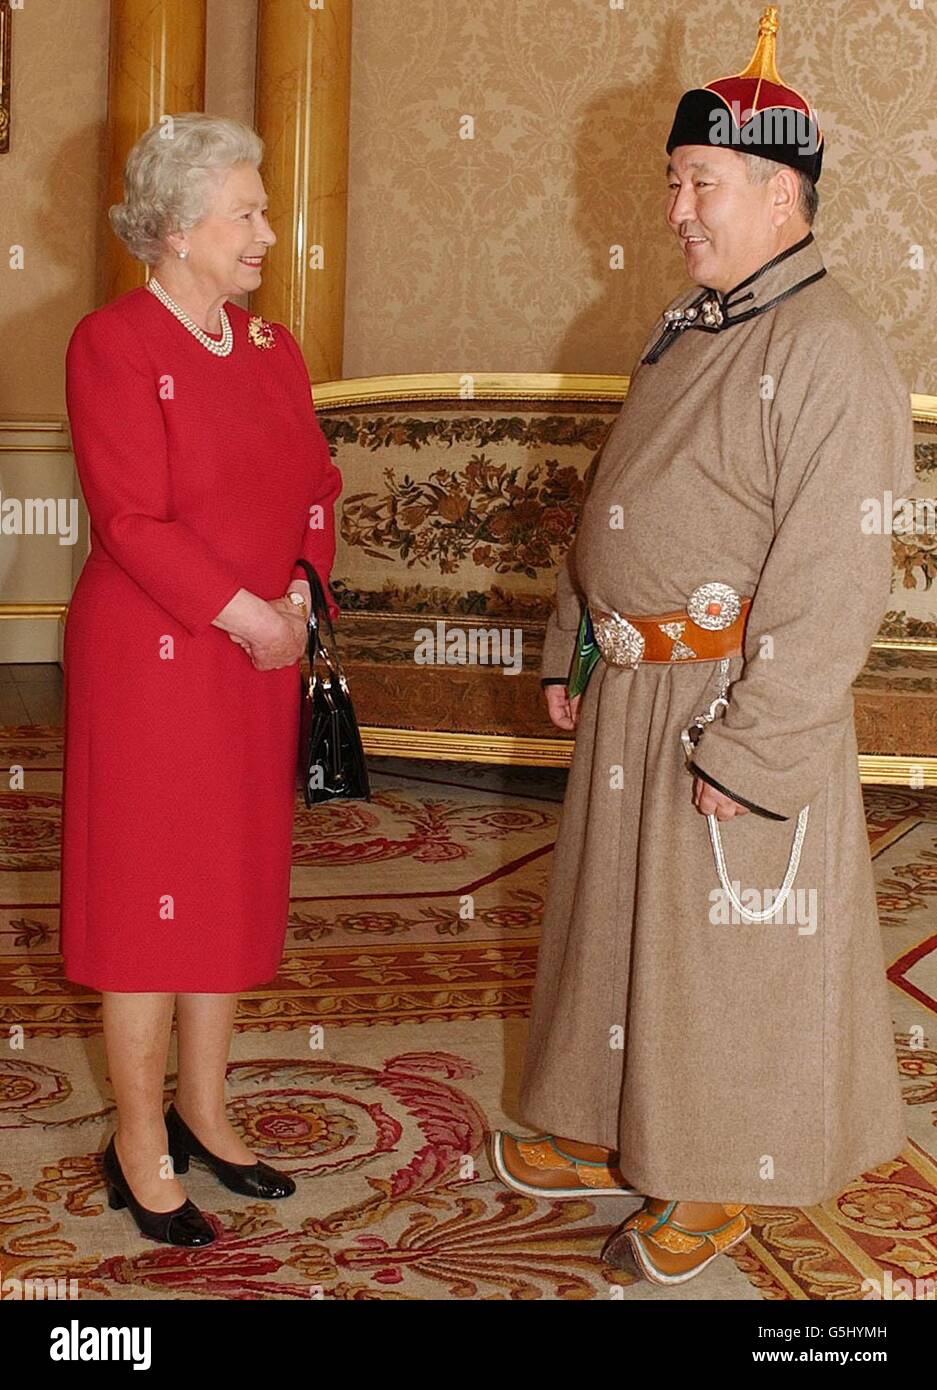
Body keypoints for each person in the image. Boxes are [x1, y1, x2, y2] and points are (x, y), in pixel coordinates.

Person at [490, 6, 917, 1285]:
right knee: (622, 926)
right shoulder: (695, 323)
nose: (676, 207)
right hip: (635, 682)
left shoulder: (830, 347)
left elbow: (836, 575)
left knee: (725, 956)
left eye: (701, 183)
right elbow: (618, 498)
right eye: (674, 181)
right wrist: (578, 639)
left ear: (782, 194)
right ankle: (619, 1120)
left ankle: (717, 1170)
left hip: (730, 698)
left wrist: (757, 748)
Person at [61, 113, 342, 1246]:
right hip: (157, 662)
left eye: (265, 209)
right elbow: (132, 516)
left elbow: (319, 486)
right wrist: (243, 617)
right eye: (249, 211)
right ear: (178, 230)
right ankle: (137, 1141)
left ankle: (207, 1113)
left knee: (223, 882)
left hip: (256, 654)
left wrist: (299, 601)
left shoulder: (274, 350)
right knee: (147, 898)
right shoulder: (112, 343)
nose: (268, 232)